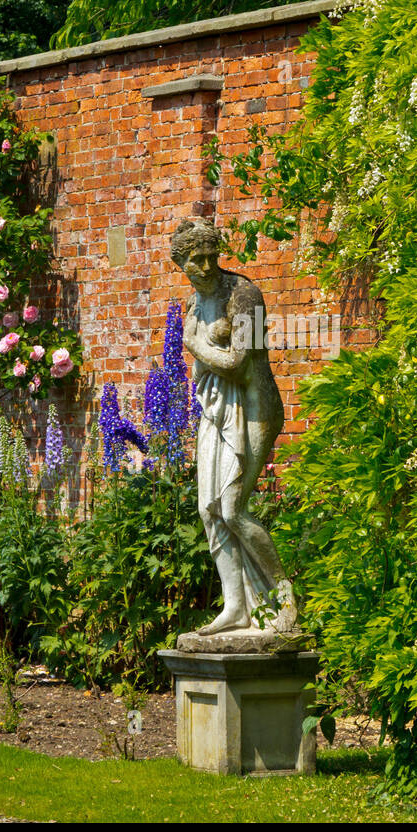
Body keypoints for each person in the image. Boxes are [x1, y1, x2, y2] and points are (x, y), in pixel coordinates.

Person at [170, 217, 297, 634]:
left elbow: (239, 364)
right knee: (209, 510)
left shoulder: (246, 296)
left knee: (233, 509)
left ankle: (283, 599)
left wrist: (193, 345)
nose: (205, 267)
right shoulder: (192, 303)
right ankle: (235, 608)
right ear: (181, 264)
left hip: (256, 407)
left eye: (210, 257)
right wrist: (204, 350)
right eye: (195, 260)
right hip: (215, 410)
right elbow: (213, 366)